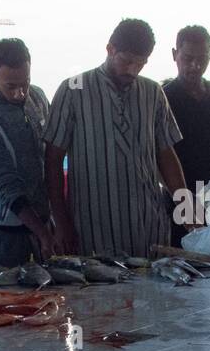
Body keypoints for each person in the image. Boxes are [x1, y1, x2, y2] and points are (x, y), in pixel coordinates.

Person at [44, 19, 187, 257]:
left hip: (148, 227)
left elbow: (166, 153)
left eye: (140, 64)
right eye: (127, 61)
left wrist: (184, 204)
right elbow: (52, 160)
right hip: (92, 230)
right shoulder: (73, 90)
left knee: (151, 292)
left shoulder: (153, 93)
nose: (132, 70)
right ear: (110, 49)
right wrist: (61, 222)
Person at [0, 38, 54, 267]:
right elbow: (7, 185)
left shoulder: (37, 97)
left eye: (24, 83)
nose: (20, 93)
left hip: (43, 221)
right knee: (4, 298)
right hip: (4, 233)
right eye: (10, 86)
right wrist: (43, 233)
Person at [161, 25, 210, 245]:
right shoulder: (162, 98)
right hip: (176, 204)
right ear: (174, 55)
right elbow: (158, 156)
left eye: (202, 59)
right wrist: (182, 201)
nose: (195, 66)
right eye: (187, 58)